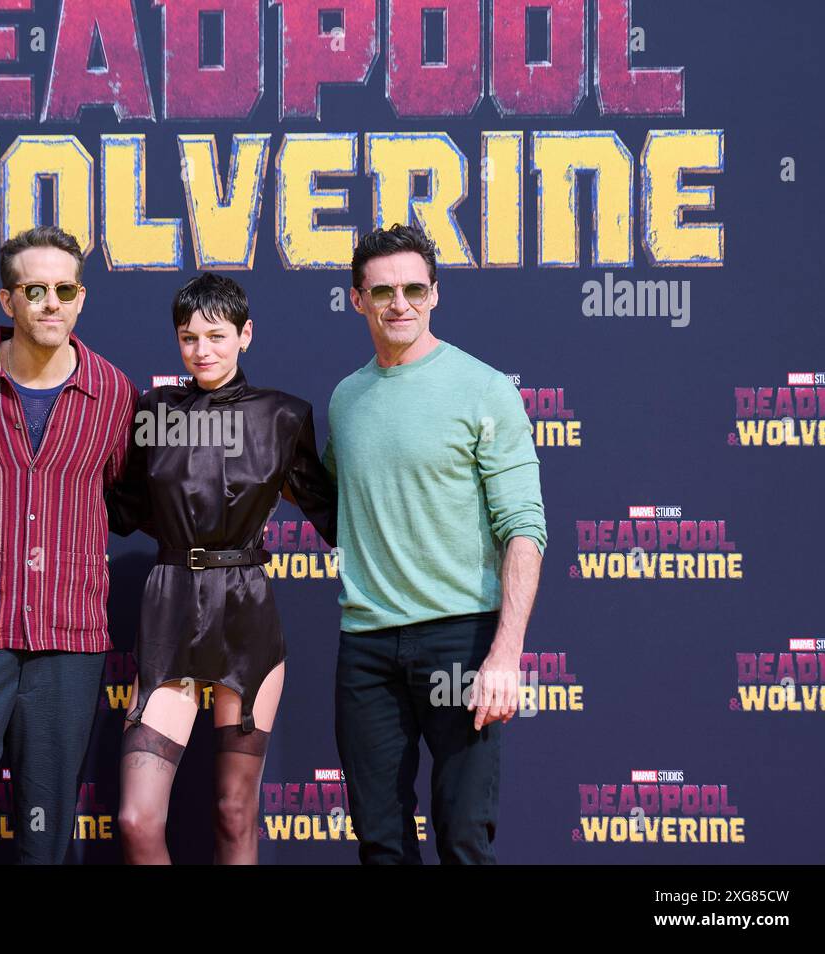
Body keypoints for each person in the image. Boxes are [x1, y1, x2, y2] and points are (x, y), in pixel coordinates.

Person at [325, 222, 546, 864]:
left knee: (463, 839)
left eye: (415, 289)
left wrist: (505, 655)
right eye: (384, 291)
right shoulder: (347, 398)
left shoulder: (484, 388)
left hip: (463, 640)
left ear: (435, 295)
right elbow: (338, 497)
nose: (401, 304)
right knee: (381, 843)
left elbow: (525, 530)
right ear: (356, 299)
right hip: (365, 646)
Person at [0, 225, 138, 864]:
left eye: (63, 289)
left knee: (47, 839)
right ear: (6, 300)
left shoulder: (114, 393)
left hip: (68, 642)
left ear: (81, 297)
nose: (49, 303)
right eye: (32, 289)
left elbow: (121, 501)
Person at [107, 272, 337, 865]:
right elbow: (123, 508)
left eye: (216, 335)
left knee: (236, 813)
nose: (202, 350)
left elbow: (339, 516)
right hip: (169, 610)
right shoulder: (153, 412)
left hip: (247, 614)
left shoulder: (285, 417)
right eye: (188, 338)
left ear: (246, 334)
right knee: (136, 819)